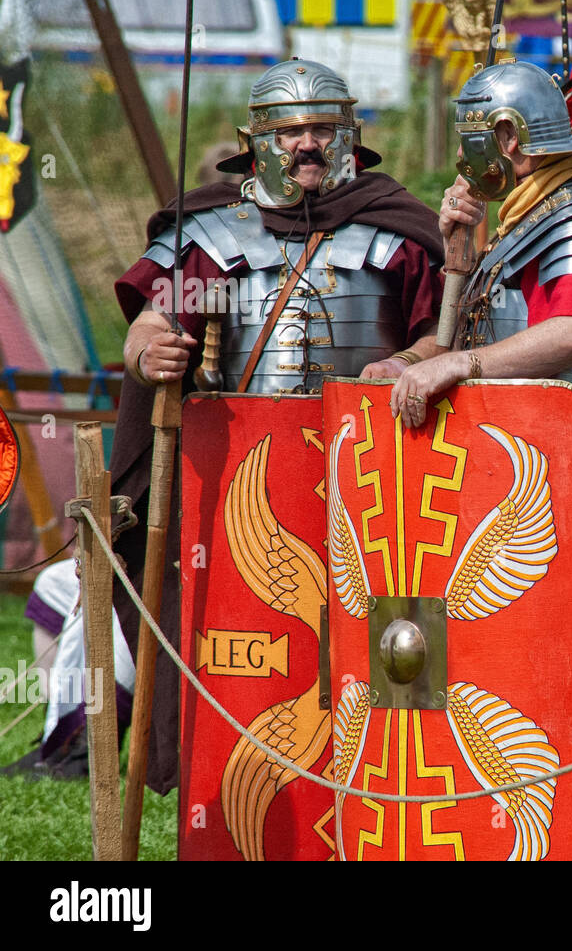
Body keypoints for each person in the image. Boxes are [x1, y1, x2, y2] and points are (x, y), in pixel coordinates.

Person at [110, 59, 445, 793]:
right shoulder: (211, 238)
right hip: (243, 487)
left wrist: (411, 361)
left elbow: (442, 339)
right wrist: (150, 351)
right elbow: (151, 325)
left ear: (350, 133)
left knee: (379, 652)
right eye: (291, 130)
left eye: (323, 127)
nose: (308, 144)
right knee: (243, 651)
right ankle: (235, 801)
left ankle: (377, 803)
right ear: (253, 140)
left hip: (372, 481)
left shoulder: (398, 231)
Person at [390, 61, 572, 792]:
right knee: (502, 680)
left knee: (564, 685)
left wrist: (461, 367)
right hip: (512, 486)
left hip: (569, 486)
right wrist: (457, 266)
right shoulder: (528, 216)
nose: (461, 157)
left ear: (504, 135)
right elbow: (454, 339)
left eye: (473, 137)